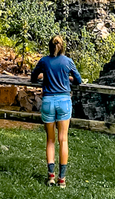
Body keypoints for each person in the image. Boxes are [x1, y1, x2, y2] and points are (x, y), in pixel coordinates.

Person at [31, 35, 82, 188]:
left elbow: (33, 77)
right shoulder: (68, 61)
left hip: (48, 101)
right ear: (63, 47)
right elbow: (78, 79)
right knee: (63, 140)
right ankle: (62, 179)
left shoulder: (44, 61)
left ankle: (51, 177)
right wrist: (69, 79)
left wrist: (44, 75)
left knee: (50, 140)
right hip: (64, 101)